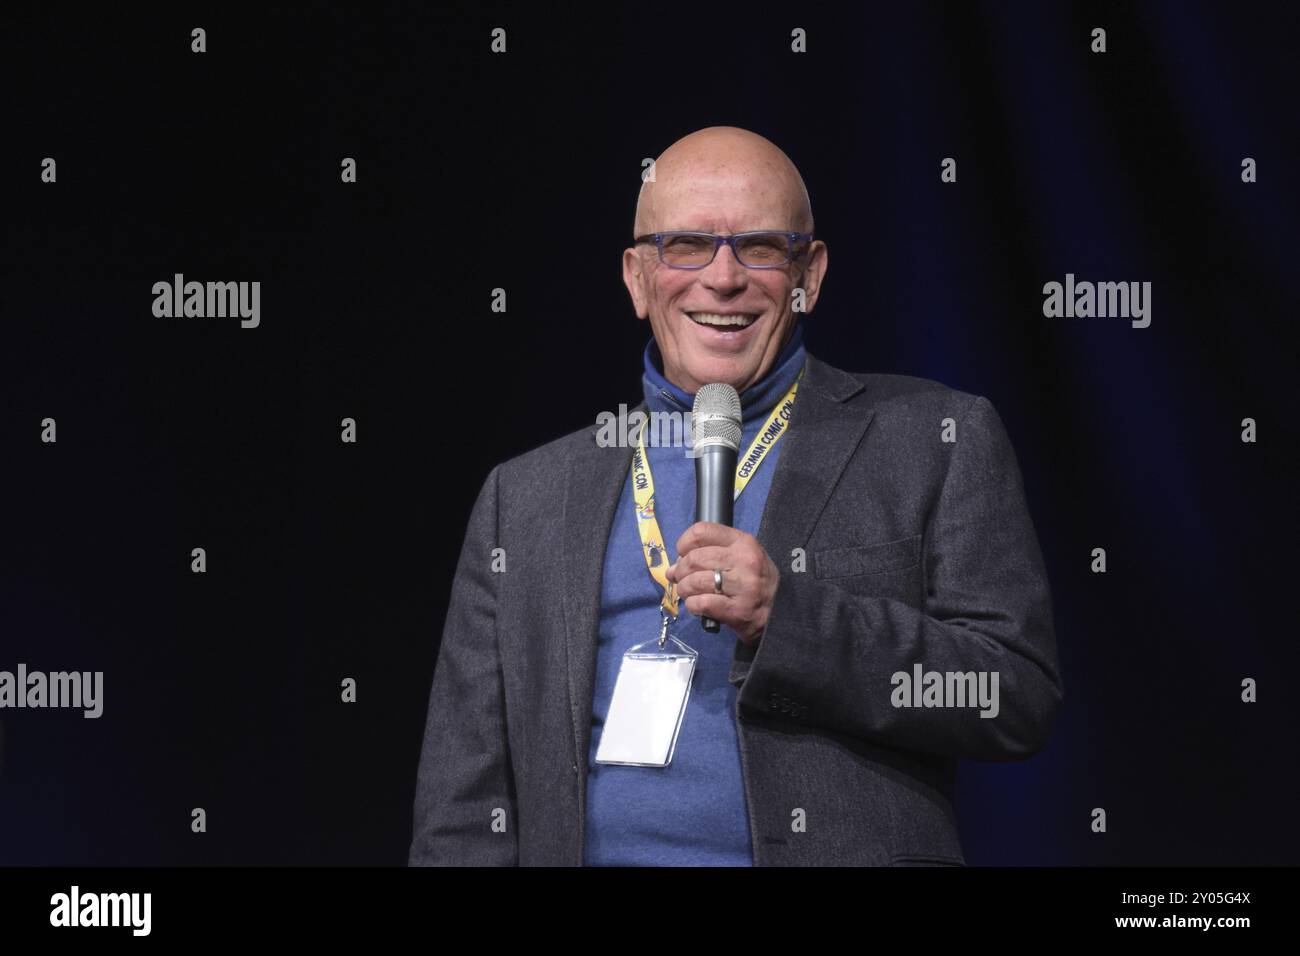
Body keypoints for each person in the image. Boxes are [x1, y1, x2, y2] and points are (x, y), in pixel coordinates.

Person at [409, 126, 1062, 866]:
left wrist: (795, 622)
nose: (722, 278)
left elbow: (1009, 697)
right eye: (685, 245)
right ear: (635, 277)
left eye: (759, 246)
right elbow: (462, 805)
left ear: (807, 274)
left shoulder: (932, 438)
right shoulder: (523, 496)